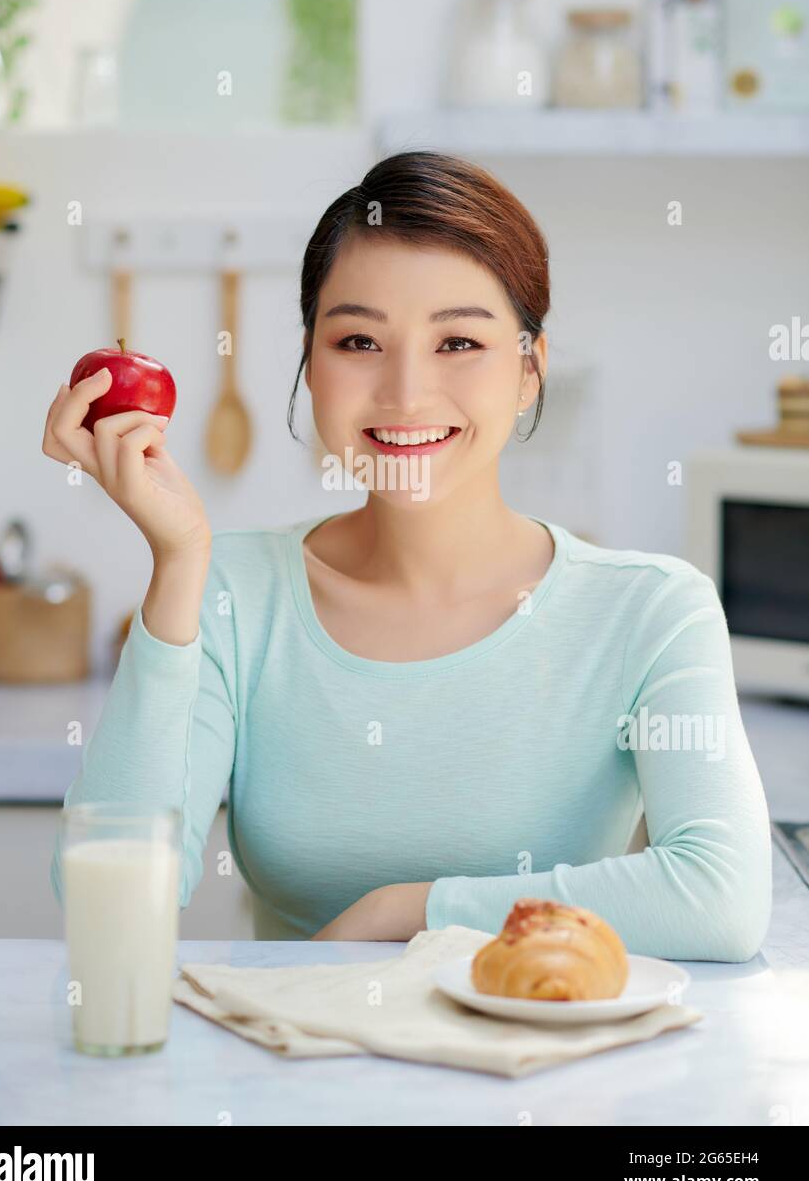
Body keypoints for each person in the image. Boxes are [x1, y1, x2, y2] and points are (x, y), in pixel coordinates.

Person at [44, 150, 771, 959]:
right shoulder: (230, 592)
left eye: (459, 342)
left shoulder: (651, 611)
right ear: (310, 367)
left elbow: (721, 897)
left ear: (530, 370)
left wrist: (418, 910)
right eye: (358, 340)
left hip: (555, 1072)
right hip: (292, 1071)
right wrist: (177, 562)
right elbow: (102, 902)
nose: (404, 393)